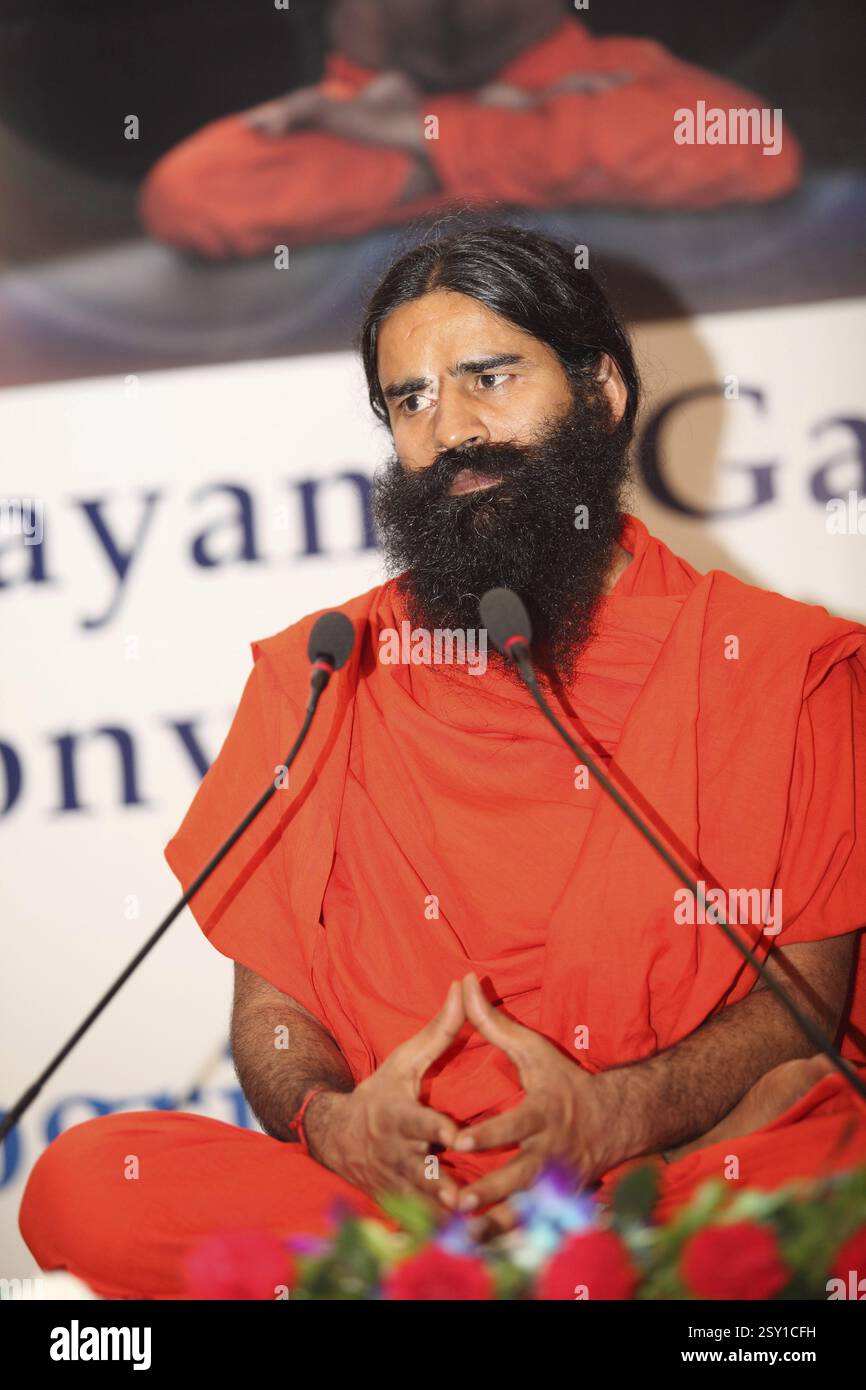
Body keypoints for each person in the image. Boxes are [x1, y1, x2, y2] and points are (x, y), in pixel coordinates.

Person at [19, 224, 866, 1300]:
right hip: (409, 1203)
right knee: (89, 1182)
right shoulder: (324, 671)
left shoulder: (775, 665)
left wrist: (619, 1115)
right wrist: (332, 1121)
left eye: (488, 378)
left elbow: (805, 1005)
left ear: (600, 391)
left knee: (834, 1170)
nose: (449, 430)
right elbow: (272, 1013)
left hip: (672, 1171)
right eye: (409, 400)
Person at [138, 0, 803, 258]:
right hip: (361, 106)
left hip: (552, 79)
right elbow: (191, 201)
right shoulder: (324, 123)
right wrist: (454, 140)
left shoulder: (618, 79)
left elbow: (756, 147)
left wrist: (424, 135)